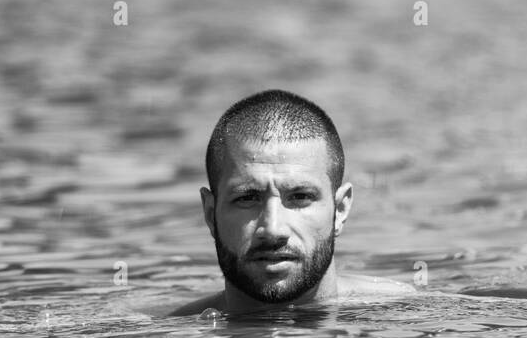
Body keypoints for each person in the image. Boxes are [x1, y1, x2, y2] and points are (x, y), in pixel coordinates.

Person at [172, 89, 406, 316]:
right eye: (247, 198)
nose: (273, 230)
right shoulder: (170, 336)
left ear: (341, 209)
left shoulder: (404, 315)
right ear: (210, 213)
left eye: (300, 197)